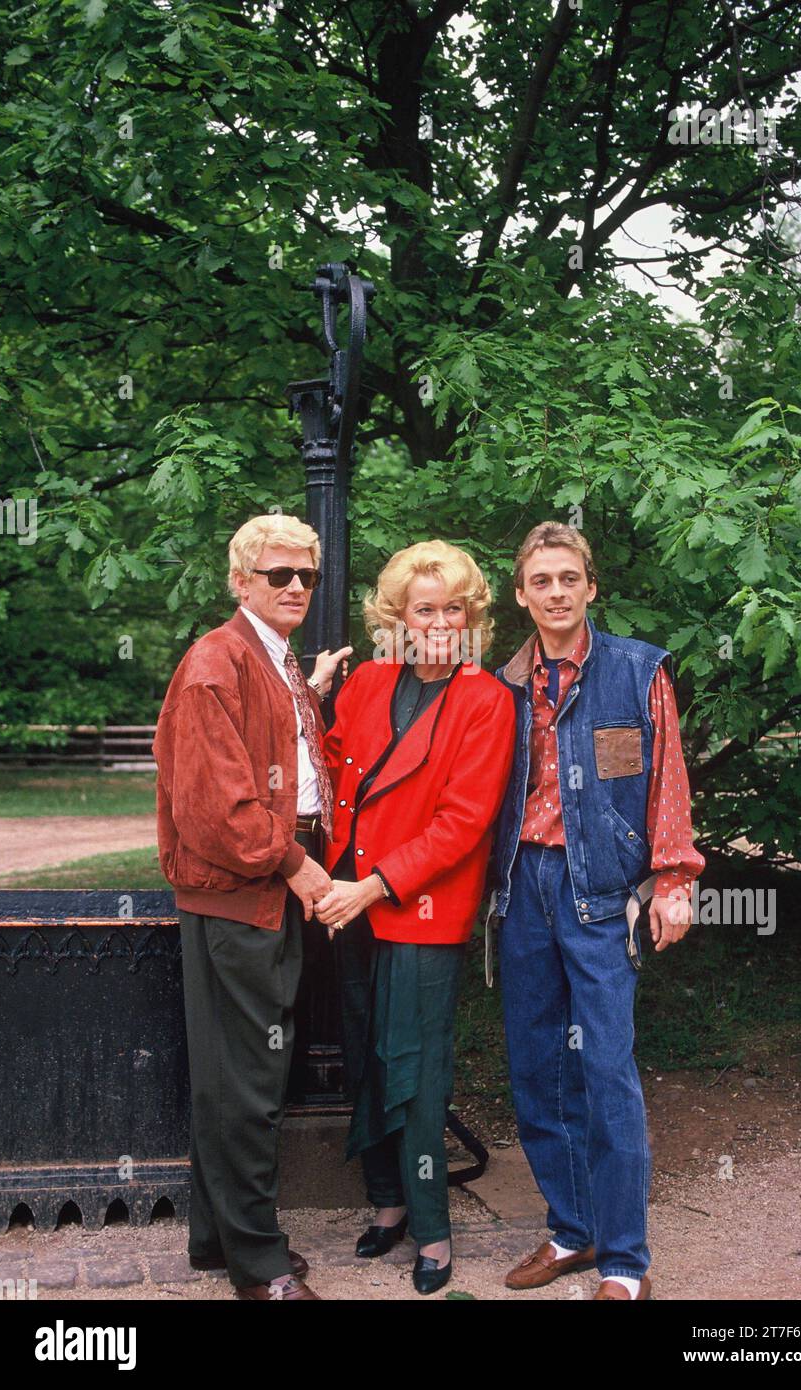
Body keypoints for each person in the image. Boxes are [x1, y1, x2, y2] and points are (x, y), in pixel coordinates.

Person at [492, 521, 705, 1301]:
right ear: (521, 595)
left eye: (567, 578)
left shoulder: (634, 670)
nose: (554, 592)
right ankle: (571, 1229)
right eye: (540, 581)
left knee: (606, 1072)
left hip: (599, 898)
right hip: (522, 893)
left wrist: (675, 876)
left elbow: (666, 780)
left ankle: (623, 1260)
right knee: (538, 1069)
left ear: (590, 587)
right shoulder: (503, 683)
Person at [153, 513, 350, 1302]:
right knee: (246, 1082)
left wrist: (312, 689)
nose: (296, 586)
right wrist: (300, 866)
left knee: (237, 1074)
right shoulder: (216, 662)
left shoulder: (271, 663)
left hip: (262, 887)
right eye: (277, 575)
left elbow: (277, 755)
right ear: (241, 582)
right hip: (245, 891)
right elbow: (218, 809)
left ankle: (217, 1239)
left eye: (306, 574)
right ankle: (258, 1264)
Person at [313, 540, 515, 1295]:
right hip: (348, 904)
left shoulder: (486, 699)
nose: (436, 621)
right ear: (396, 616)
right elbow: (330, 770)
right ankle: (388, 1203)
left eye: (450, 608)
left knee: (416, 1069)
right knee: (365, 1054)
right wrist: (309, 691)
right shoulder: (366, 681)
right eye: (421, 608)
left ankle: (432, 1230)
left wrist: (370, 885)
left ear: (471, 616)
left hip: (417, 909)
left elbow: (462, 825)